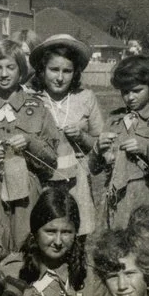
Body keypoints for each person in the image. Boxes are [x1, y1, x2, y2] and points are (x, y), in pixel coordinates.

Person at [0, 39, 60, 245]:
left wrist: (30, 141)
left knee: (25, 245)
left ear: (21, 70)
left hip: (27, 194)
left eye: (10, 67)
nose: (3, 74)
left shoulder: (38, 109)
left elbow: (52, 160)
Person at [28, 34, 104, 236]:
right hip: (41, 179)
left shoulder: (85, 98)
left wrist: (80, 136)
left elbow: (100, 142)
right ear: (42, 70)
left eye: (67, 71)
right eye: (54, 70)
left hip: (76, 181)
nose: (60, 77)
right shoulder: (31, 100)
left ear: (75, 73)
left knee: (76, 234)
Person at [93, 55, 149, 232]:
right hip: (117, 197)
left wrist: (144, 148)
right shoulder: (114, 119)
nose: (130, 97)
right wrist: (100, 149)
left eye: (137, 90)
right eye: (125, 92)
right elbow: (95, 168)